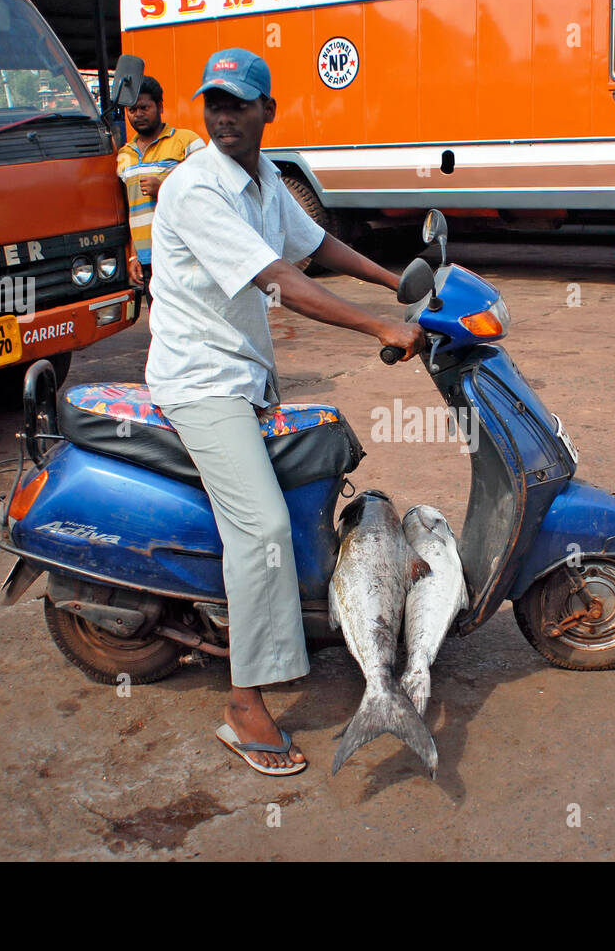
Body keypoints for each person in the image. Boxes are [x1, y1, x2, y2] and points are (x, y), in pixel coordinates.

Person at [146, 48, 425, 776]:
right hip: (203, 381)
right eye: (214, 102)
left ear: (269, 110)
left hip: (247, 375)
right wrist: (380, 328)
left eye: (238, 103)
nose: (224, 115)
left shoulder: (265, 180)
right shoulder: (195, 188)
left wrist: (396, 283)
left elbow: (317, 246)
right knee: (262, 524)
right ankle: (243, 703)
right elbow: (281, 282)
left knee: (316, 475)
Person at [116, 76, 205, 302]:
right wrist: (132, 256)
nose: (138, 114)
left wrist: (164, 188)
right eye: (132, 109)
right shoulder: (124, 155)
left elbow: (206, 194)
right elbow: (131, 211)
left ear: (160, 107)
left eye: (144, 107)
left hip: (183, 255)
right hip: (147, 260)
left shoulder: (187, 142)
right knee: (160, 327)